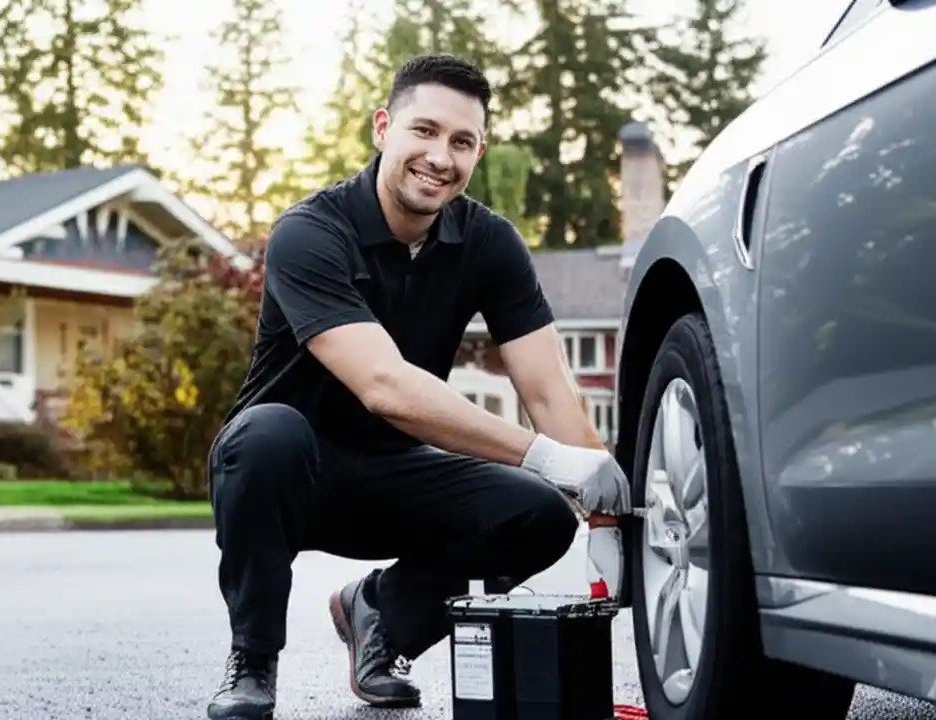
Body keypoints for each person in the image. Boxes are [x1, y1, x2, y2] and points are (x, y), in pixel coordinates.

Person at [204, 53, 630, 720]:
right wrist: (548, 456)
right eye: (424, 131)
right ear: (383, 128)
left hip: (398, 471)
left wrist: (601, 508)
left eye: (462, 142)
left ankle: (382, 619)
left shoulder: (490, 244)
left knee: (541, 514)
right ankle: (252, 660)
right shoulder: (311, 231)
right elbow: (384, 385)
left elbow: (549, 392)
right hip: (289, 470)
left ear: (479, 152)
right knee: (266, 435)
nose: (440, 156)